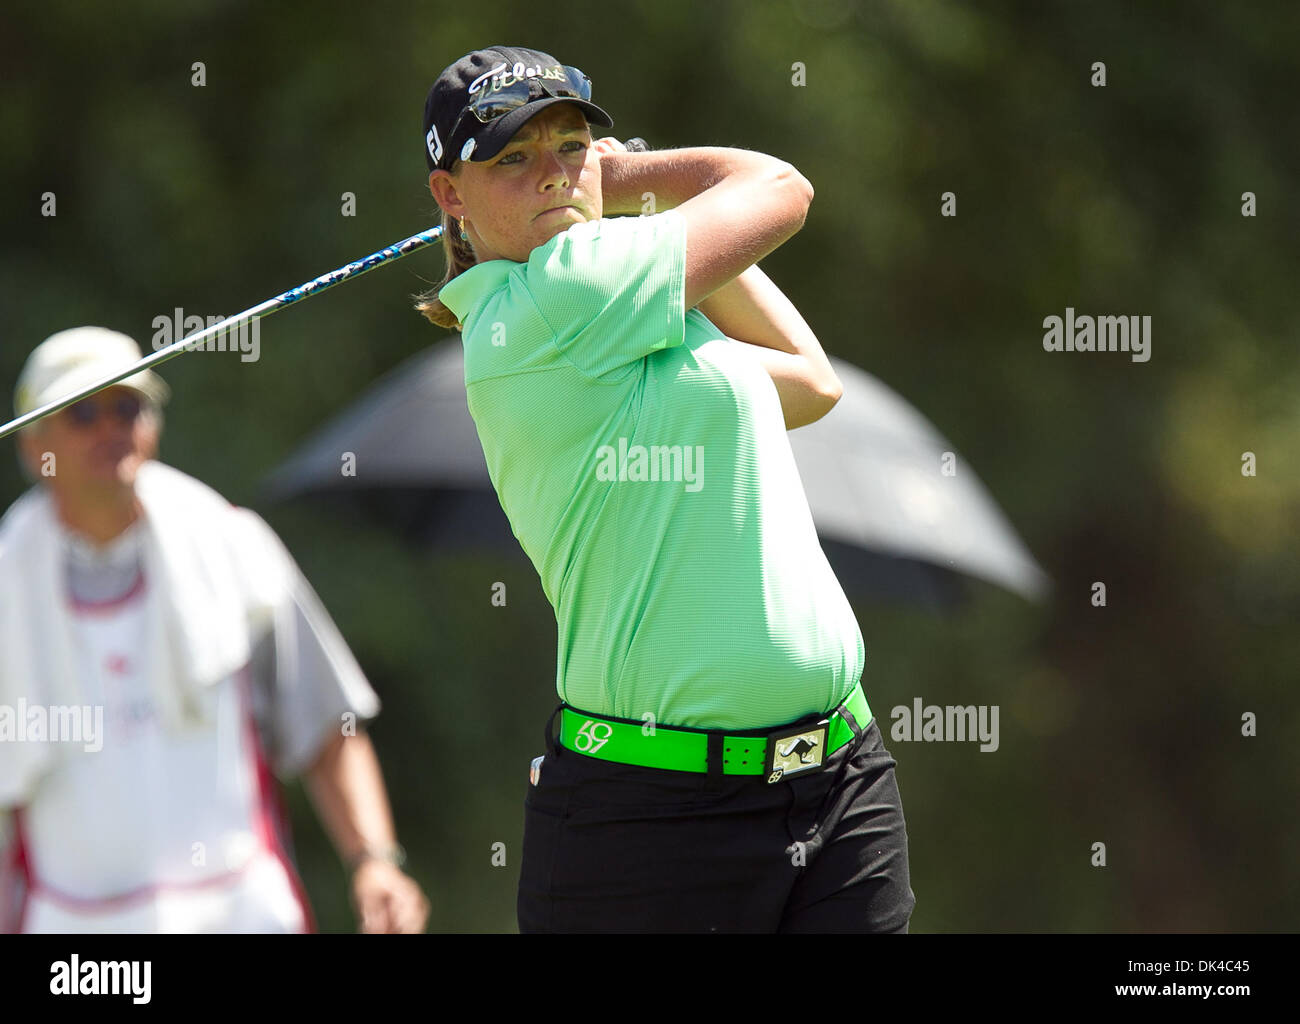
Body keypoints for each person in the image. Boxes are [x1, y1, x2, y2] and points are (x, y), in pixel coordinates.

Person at [416, 45, 916, 932]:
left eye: (570, 146)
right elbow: (780, 185)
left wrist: (634, 211)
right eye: (512, 158)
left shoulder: (619, 301)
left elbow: (809, 380)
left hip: (840, 779)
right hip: (658, 820)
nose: (554, 175)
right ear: (449, 194)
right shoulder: (562, 296)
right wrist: (641, 176)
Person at [0, 327, 429, 934]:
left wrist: (375, 861)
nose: (109, 428)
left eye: (127, 406)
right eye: (82, 412)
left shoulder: (233, 545)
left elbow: (327, 723)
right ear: (31, 446)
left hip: (240, 914)